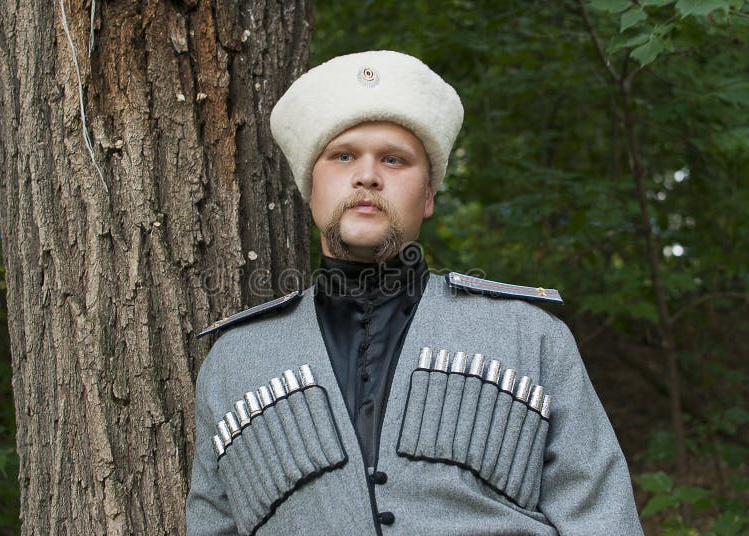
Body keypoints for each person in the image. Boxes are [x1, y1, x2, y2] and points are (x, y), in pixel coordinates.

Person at [186, 50, 643, 535]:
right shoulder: (232, 363)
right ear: (310, 188)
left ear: (427, 195)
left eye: (394, 159)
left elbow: (604, 519)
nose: (367, 175)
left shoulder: (531, 337)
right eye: (343, 156)